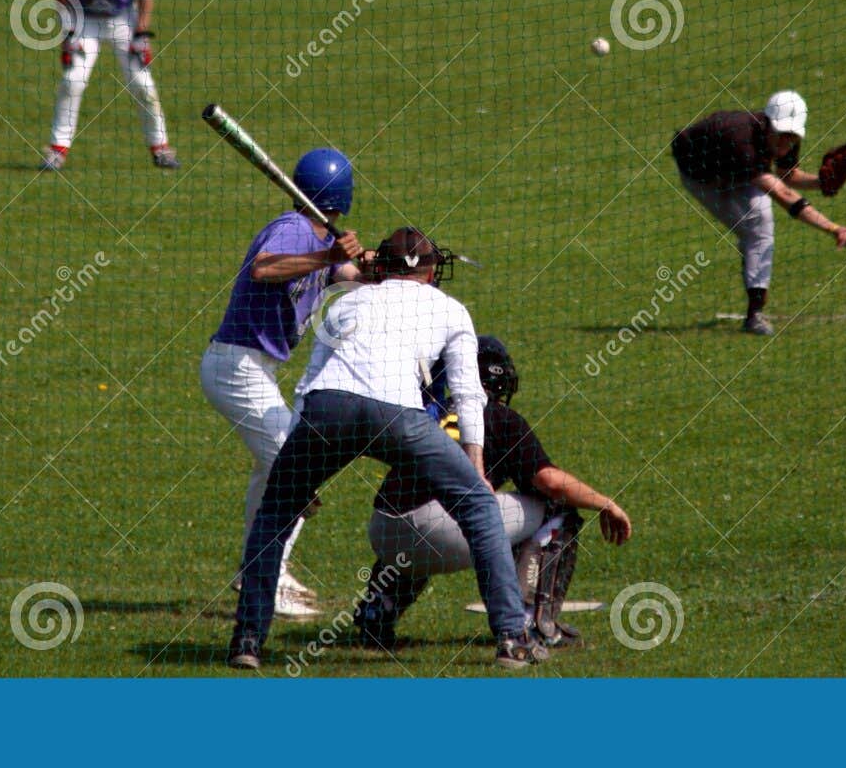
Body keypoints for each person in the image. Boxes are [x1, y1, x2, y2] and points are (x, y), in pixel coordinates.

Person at [227, 228, 547, 671]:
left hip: (327, 410)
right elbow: (468, 394)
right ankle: (512, 637)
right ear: (432, 272)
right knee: (478, 507)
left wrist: (297, 462)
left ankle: (247, 641)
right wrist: (475, 465)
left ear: (383, 266)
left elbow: (308, 383)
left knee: (275, 513)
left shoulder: (348, 302)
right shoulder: (451, 309)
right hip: (397, 416)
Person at [353, 334, 632, 650]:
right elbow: (550, 482)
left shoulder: (429, 411)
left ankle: (379, 610)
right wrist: (605, 503)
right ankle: (533, 620)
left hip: (382, 531)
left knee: (418, 516)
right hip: (439, 532)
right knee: (558, 508)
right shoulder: (499, 417)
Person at [200, 148, 365, 620]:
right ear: (343, 195)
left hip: (251, 370)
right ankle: (265, 578)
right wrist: (326, 255)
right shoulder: (294, 229)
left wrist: (390, 265)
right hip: (235, 367)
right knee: (295, 474)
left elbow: (352, 274)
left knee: (271, 472)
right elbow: (263, 268)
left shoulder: (317, 234)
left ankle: (257, 571)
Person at [672, 90, 846, 335]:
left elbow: (787, 176)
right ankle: (754, 310)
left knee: (761, 225)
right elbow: (783, 195)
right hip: (702, 176)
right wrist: (834, 228)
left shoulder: (786, 138)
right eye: (782, 135)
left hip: (737, 169)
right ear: (768, 123)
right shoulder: (741, 140)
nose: (786, 143)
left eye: (792, 137)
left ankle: (754, 314)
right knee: (756, 223)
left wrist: (820, 182)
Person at [40, 0, 178, 170]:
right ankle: (57, 150)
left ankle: (161, 148)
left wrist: (141, 33)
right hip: (83, 19)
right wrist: (67, 33)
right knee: (72, 81)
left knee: (143, 84)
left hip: (121, 18)